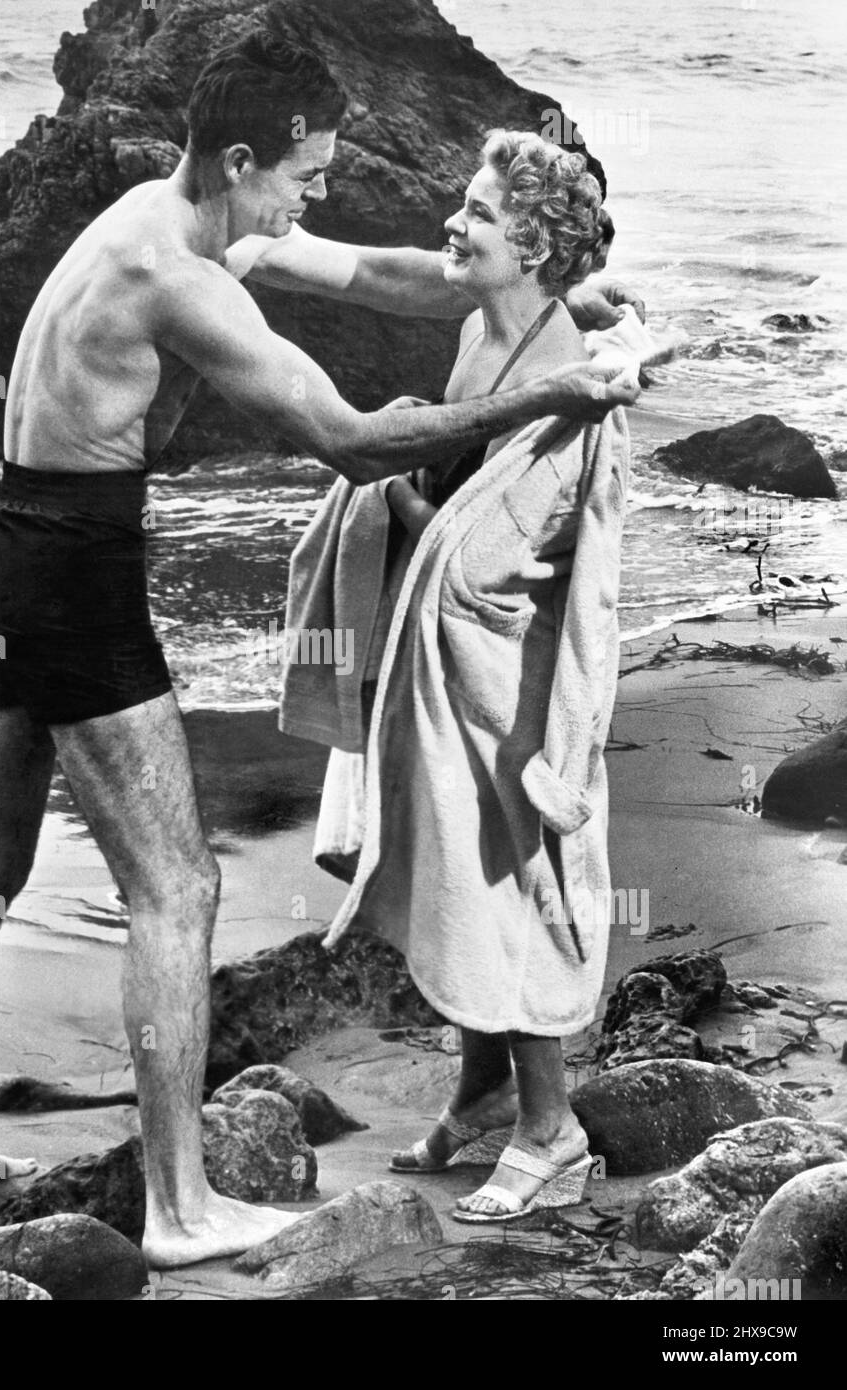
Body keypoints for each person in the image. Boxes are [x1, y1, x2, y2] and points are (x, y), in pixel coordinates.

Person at [0, 31, 639, 1267]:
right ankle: (181, 1206)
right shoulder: (181, 279)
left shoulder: (162, 220)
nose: (317, 194)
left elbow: (384, 277)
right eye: (306, 173)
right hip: (72, 574)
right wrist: (554, 392)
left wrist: (552, 301)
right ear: (243, 161)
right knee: (177, 889)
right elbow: (349, 440)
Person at [286, 129, 633, 1223]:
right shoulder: (483, 326)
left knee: (510, 880)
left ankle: (552, 1132)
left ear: (532, 247)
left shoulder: (564, 383)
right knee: (454, 858)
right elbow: (380, 277)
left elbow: (482, 564)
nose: (453, 222)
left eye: (477, 212)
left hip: (510, 668)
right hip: (458, 654)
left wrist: (381, 477)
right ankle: (483, 1093)